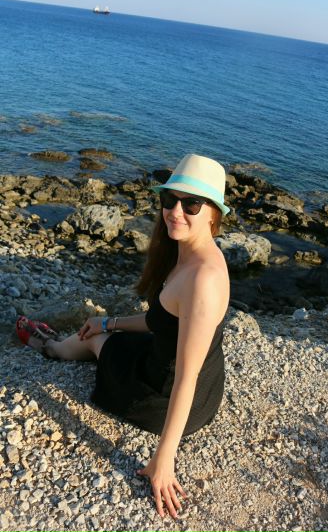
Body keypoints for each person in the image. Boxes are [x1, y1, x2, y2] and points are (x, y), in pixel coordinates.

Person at [16, 153, 230, 519]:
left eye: (191, 204)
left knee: (93, 341)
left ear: (213, 214)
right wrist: (109, 322)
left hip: (162, 397)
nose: (175, 212)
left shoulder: (203, 279)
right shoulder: (192, 252)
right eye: (169, 200)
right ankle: (77, 339)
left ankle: (51, 347)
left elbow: (186, 377)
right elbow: (163, 321)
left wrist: (164, 460)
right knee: (102, 331)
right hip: (204, 387)